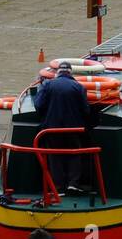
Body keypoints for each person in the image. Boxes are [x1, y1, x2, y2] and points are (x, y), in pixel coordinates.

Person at [33, 61, 92, 194]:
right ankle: (73, 184)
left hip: (52, 129)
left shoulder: (48, 85)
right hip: (73, 129)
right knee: (75, 154)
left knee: (55, 156)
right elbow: (86, 110)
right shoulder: (79, 87)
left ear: (57, 72)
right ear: (71, 73)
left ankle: (58, 187)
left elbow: (38, 105)